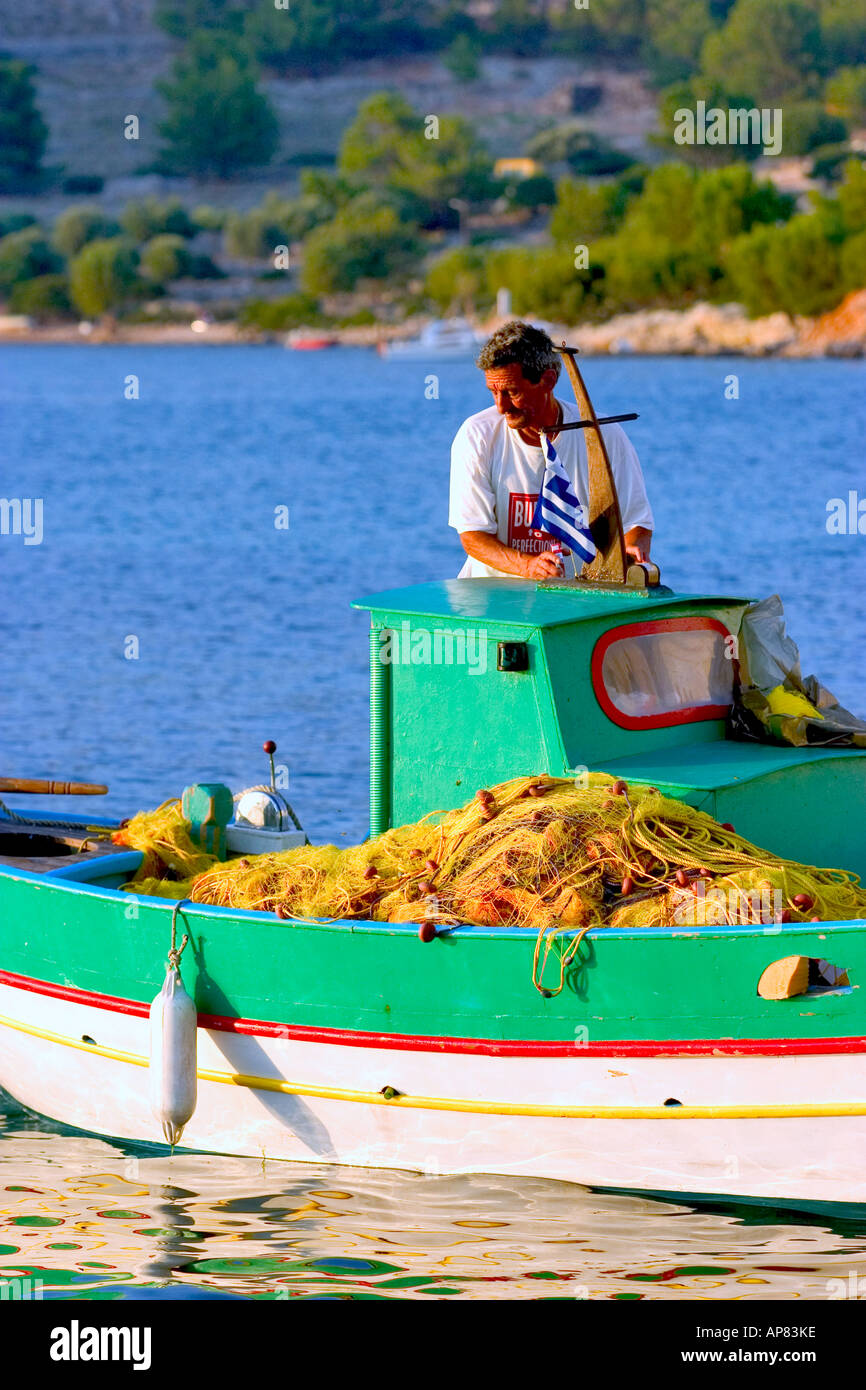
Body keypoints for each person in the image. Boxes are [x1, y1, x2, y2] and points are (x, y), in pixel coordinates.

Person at [449, 320, 654, 579]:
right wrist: (528, 566)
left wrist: (631, 551)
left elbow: (637, 523)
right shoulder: (476, 436)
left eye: (512, 392)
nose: (501, 407)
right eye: (493, 392)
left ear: (548, 381)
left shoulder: (607, 436)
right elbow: (473, 536)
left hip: (575, 603)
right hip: (491, 604)